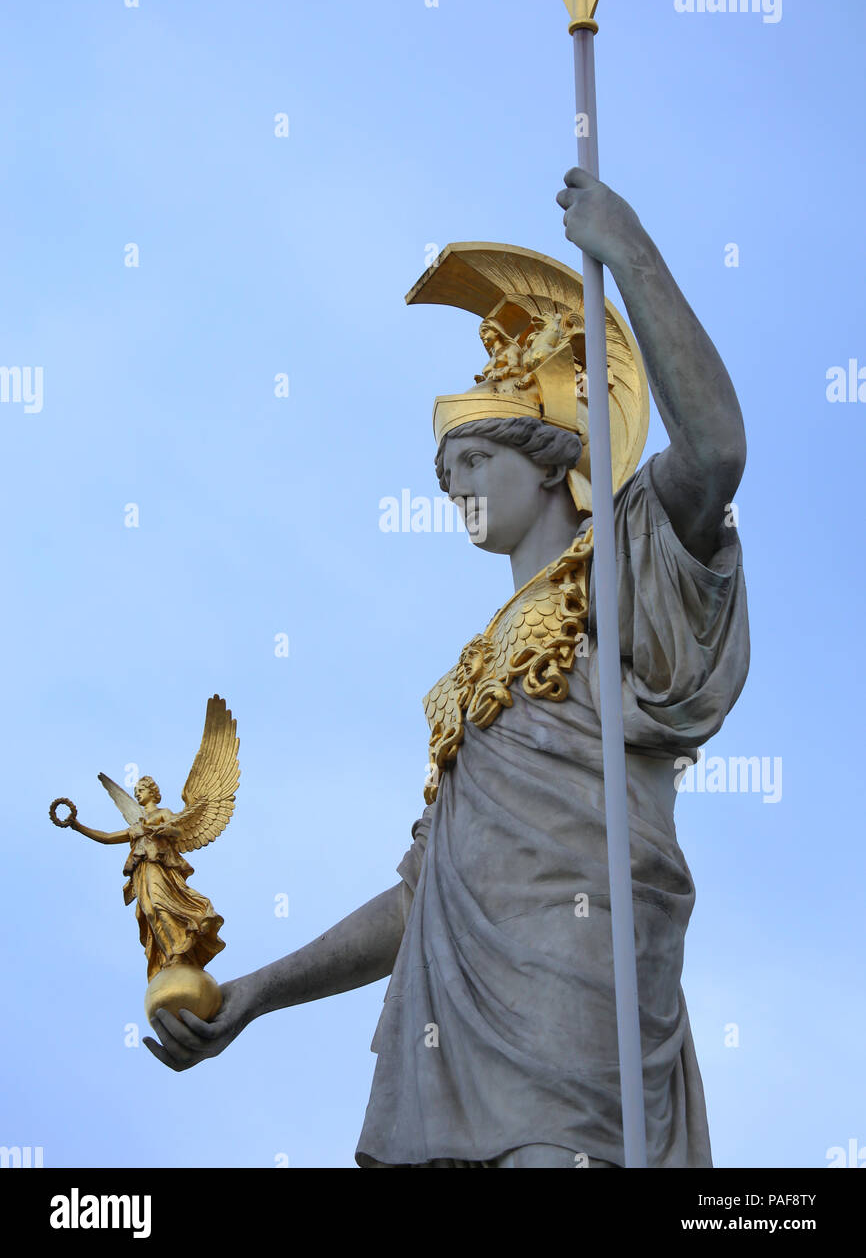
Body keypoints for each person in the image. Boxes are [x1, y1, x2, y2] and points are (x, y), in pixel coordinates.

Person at [143, 168, 749, 1169]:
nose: (455, 487)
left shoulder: (623, 566)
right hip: (452, 1027)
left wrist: (628, 247)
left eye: (474, 462)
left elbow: (716, 450)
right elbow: (422, 893)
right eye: (443, 475)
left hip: (571, 986)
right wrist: (254, 992)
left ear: (552, 457)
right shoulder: (467, 682)